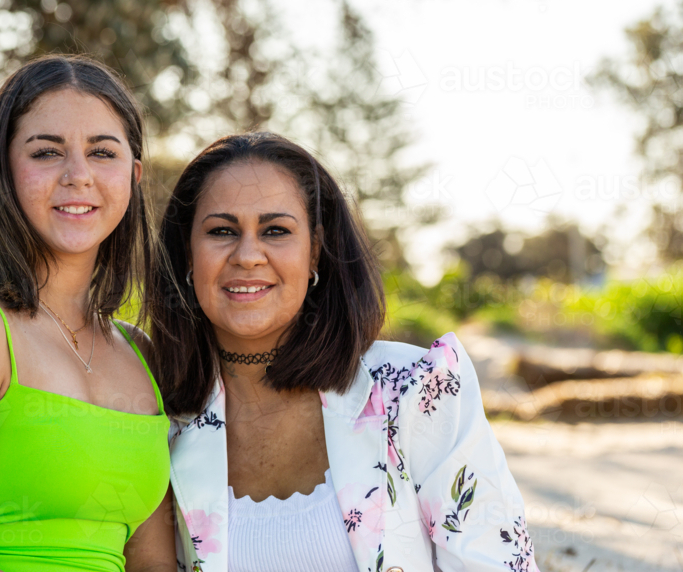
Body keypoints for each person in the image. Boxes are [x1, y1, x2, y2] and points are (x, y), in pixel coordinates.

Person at [144, 131, 540, 572]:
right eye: (222, 231)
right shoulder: (156, 416)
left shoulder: (417, 391)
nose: (248, 255)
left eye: (276, 230)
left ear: (315, 251)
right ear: (187, 253)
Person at [0, 54, 176, 572]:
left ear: (133, 176)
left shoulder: (142, 353)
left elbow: (151, 562)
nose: (78, 176)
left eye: (102, 152)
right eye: (46, 152)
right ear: (3, 170)